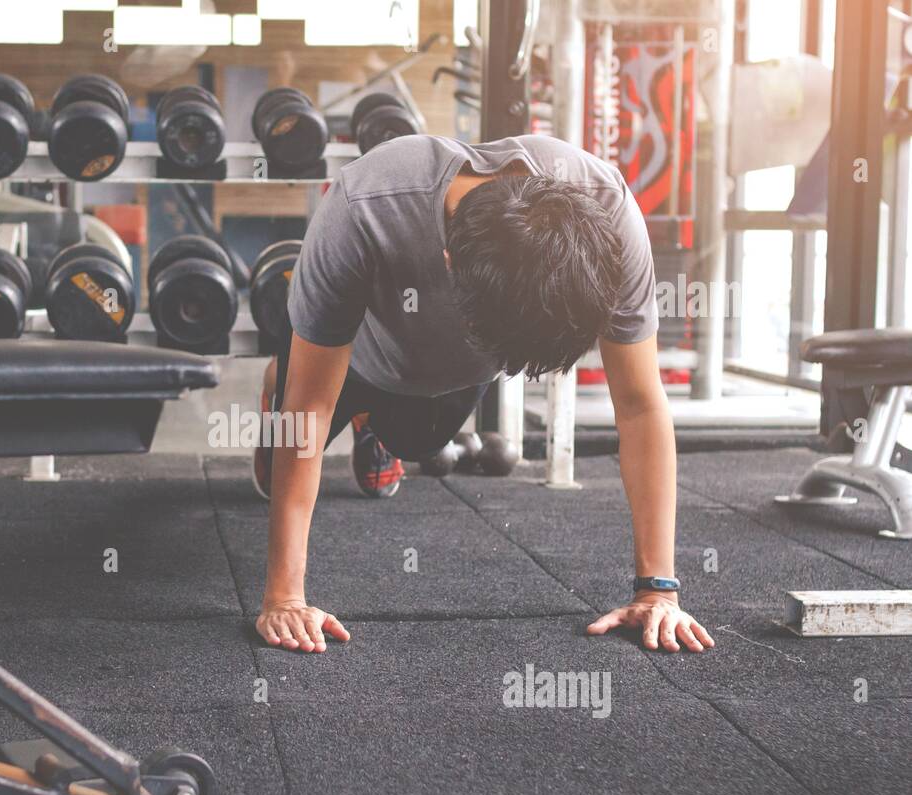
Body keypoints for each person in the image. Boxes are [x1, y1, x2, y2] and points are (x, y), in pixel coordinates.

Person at [253, 133, 713, 656]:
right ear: (448, 263)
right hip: (353, 352)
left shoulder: (608, 214)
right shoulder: (365, 208)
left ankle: (375, 424)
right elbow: (308, 410)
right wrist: (285, 596)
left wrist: (658, 590)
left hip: (443, 371)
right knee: (282, 450)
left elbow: (638, 403)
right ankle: (286, 377)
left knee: (417, 440)